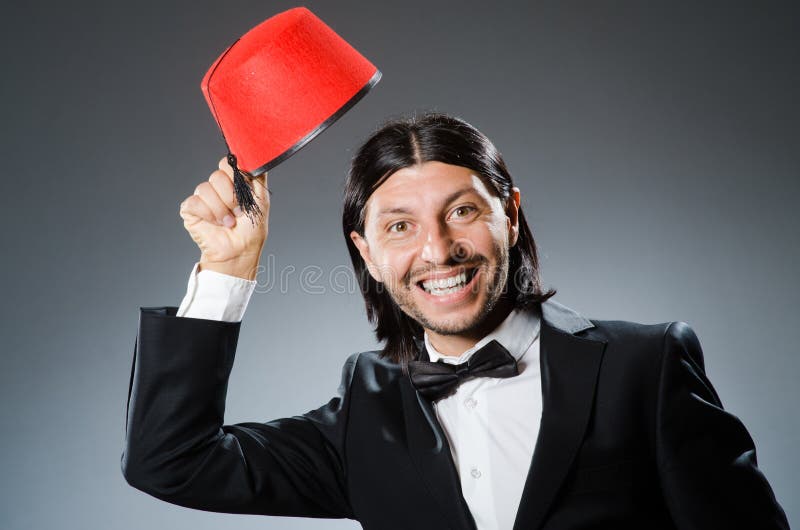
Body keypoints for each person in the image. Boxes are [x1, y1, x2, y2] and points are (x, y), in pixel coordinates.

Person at [122, 113, 789, 529]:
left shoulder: (646, 367)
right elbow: (171, 463)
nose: (437, 250)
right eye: (400, 226)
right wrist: (229, 269)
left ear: (512, 214)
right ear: (368, 255)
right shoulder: (366, 410)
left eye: (463, 212)